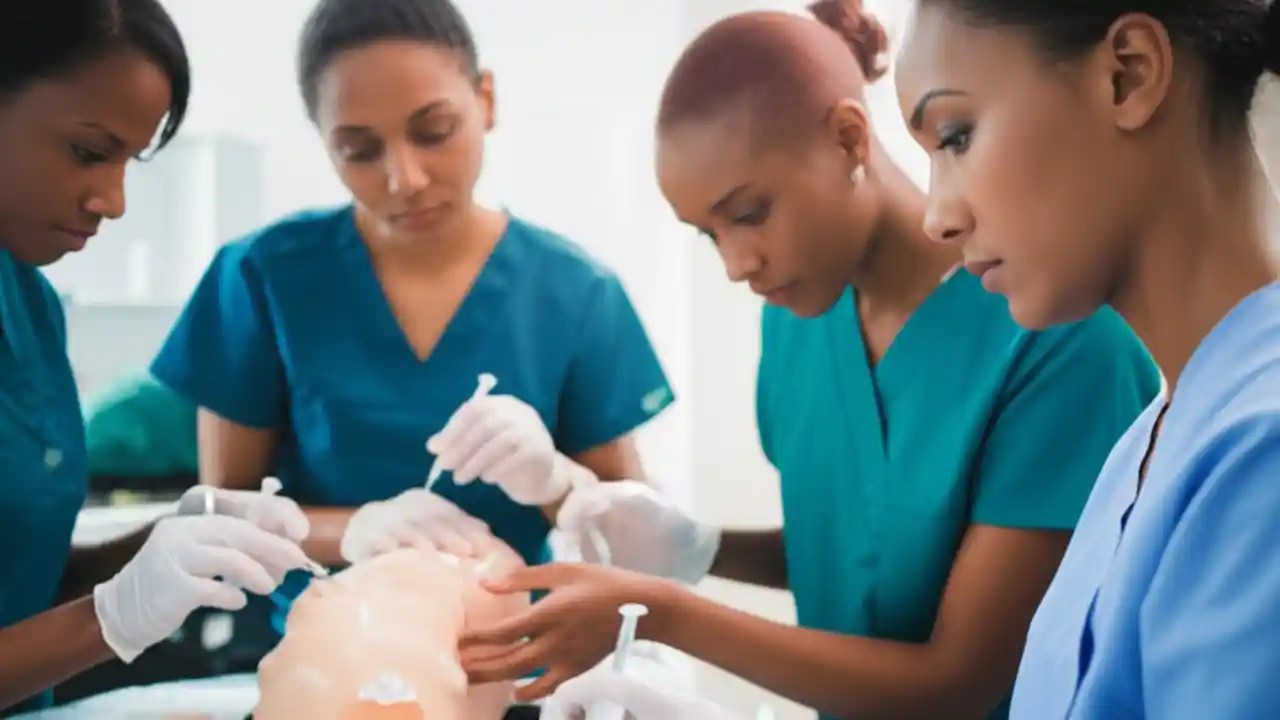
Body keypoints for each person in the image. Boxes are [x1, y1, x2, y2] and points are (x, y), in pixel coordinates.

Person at [458, 2, 1161, 719]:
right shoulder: (799, 323)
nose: (736, 263)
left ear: (849, 139)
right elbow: (857, 559)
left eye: (751, 213)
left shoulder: (1060, 340)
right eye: (709, 234)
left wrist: (658, 609)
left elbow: (957, 681)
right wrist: (695, 547)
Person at [148, 0, 674, 634]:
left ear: (486, 100)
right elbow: (217, 514)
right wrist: (356, 530)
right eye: (359, 150)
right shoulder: (262, 278)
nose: (406, 178)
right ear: (324, 141)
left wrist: (559, 482)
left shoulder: (576, 292)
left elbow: (641, 547)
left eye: (434, 131)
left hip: (513, 668)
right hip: (329, 665)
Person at [894, 1, 1280, 718]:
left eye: (956, 136)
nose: (937, 215)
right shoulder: (1146, 446)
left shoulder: (1262, 450)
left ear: (1128, 76)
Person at [0, 1, 314, 714]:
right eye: (88, 152)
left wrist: (164, 544)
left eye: (128, 162)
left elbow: (22, 578)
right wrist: (110, 619)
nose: (112, 201)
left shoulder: (31, 304)